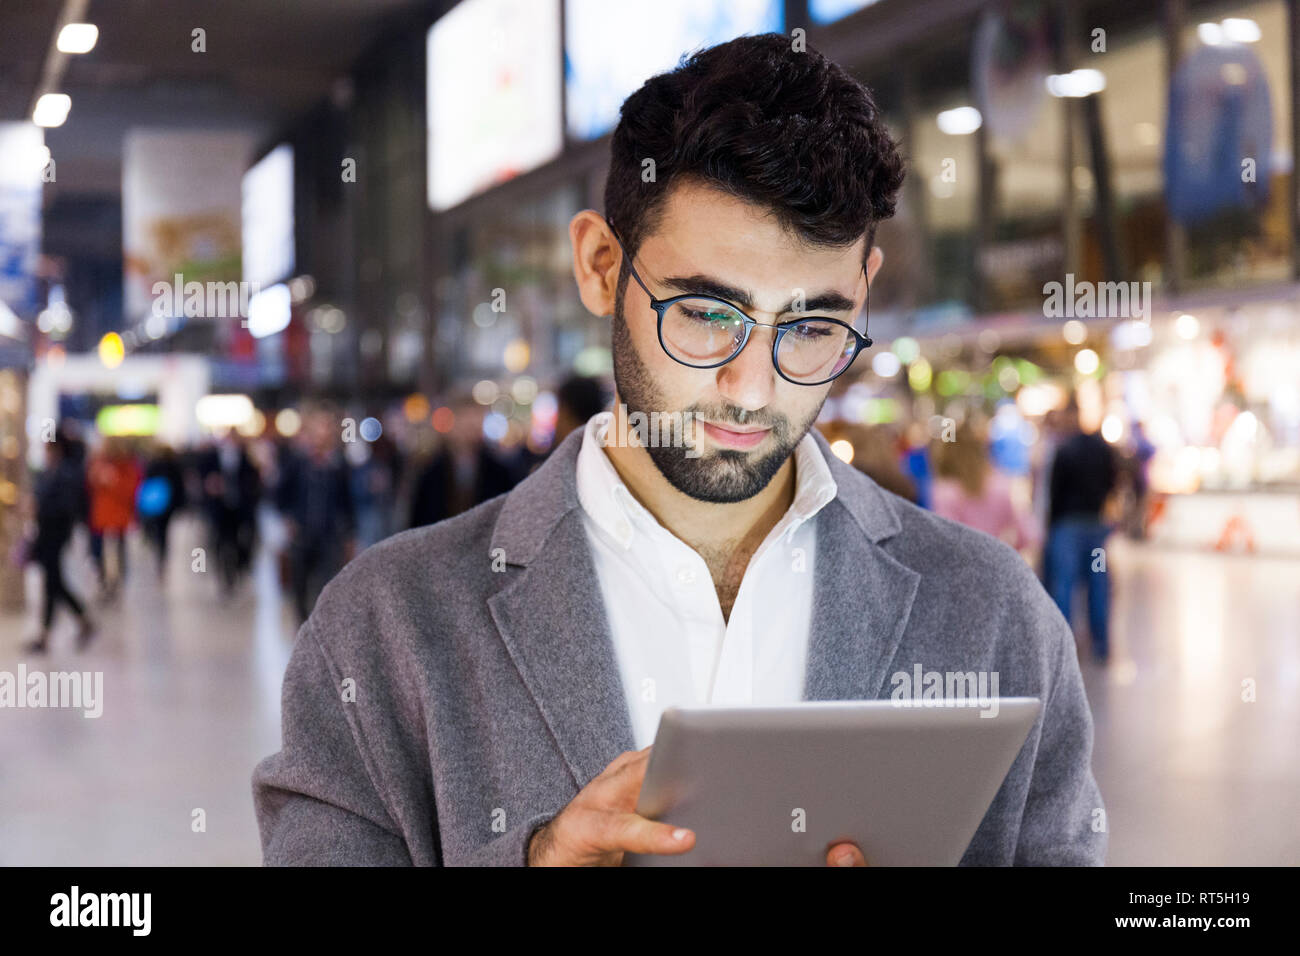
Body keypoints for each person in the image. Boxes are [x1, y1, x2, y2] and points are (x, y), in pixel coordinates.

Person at [253, 34, 1105, 867]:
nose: (752, 388)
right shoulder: (387, 630)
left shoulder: (995, 619)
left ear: (864, 291)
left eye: (811, 327)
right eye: (704, 315)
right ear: (599, 265)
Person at [1045, 397, 1118, 663]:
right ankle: (1101, 644)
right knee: (1098, 583)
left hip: (1068, 528)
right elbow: (1113, 482)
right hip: (1096, 528)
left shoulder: (1063, 450)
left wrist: (1050, 527)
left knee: (1065, 585)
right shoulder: (1103, 448)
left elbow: (1054, 494)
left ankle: (1065, 646)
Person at [275, 404, 356, 624]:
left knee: (326, 583)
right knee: (299, 584)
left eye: (327, 427)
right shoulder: (297, 463)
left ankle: (320, 627)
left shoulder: (339, 465)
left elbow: (347, 501)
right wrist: (289, 518)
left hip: (329, 536)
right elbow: (280, 493)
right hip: (302, 534)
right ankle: (302, 624)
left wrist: (349, 533)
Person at [24, 429, 95, 652]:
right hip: (46, 530)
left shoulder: (66, 472)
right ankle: (79, 620)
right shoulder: (51, 470)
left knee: (52, 582)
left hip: (56, 531)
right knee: (53, 581)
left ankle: (48, 633)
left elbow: (66, 505)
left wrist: (41, 508)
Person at [931, 420, 1040, 557]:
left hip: (962, 567)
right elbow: (1028, 535)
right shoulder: (1001, 484)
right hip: (994, 562)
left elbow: (945, 538)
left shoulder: (945, 491)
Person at [407, 398, 515, 528]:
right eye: (465, 419)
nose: (471, 426)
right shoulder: (431, 470)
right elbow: (419, 518)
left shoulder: (499, 471)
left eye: (475, 419)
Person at [86, 436, 140, 599]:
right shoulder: (99, 463)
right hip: (101, 517)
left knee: (117, 551)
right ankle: (105, 580)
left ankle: (115, 582)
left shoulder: (127, 467)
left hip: (117, 517)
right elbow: (89, 487)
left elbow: (131, 491)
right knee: (99, 551)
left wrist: (113, 482)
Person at [139, 443, 186, 578]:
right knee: (163, 531)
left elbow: (146, 483)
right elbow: (179, 486)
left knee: (158, 529)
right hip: (168, 505)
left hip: (156, 504)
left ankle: (158, 548)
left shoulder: (153, 464)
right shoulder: (174, 465)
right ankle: (162, 553)